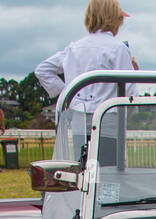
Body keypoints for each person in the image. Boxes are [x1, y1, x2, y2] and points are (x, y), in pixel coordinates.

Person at [35, 0, 138, 162]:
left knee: (82, 171)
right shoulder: (118, 49)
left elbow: (43, 70)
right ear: (114, 19)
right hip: (108, 119)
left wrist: (69, 95)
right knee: (108, 173)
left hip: (79, 120)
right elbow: (130, 92)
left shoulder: (74, 48)